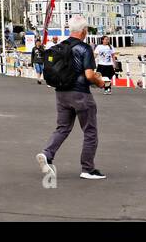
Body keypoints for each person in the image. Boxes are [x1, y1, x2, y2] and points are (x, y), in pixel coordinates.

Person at [36, 15, 107, 183]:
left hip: (61, 94)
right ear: (84, 31)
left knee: (63, 128)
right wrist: (101, 82)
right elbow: (89, 75)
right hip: (80, 94)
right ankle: (87, 169)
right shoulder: (85, 48)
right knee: (90, 131)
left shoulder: (60, 46)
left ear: (70, 30)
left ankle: (47, 153)